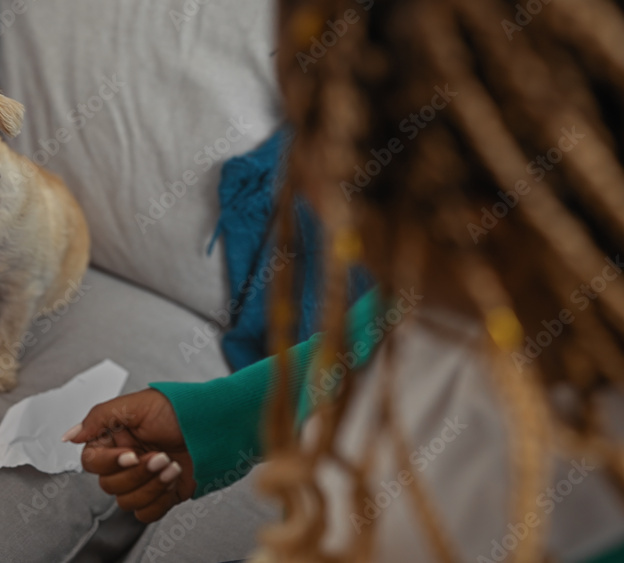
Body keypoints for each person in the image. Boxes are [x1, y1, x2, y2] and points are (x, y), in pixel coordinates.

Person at [66, 0, 624, 561]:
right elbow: (383, 332)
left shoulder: (522, 506)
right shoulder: (496, 284)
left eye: (319, 136)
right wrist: (217, 419)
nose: (303, 181)